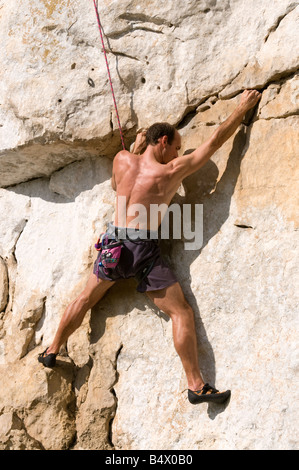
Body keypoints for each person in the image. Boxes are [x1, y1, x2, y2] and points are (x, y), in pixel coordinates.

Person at [38, 90, 261, 404]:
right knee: (181, 312)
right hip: (142, 250)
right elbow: (212, 144)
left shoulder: (121, 159)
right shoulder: (170, 171)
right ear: (164, 141)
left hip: (112, 246)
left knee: (86, 297)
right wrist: (242, 109)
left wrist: (135, 148)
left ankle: (52, 348)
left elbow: (119, 186)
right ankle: (196, 385)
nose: (178, 153)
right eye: (177, 147)